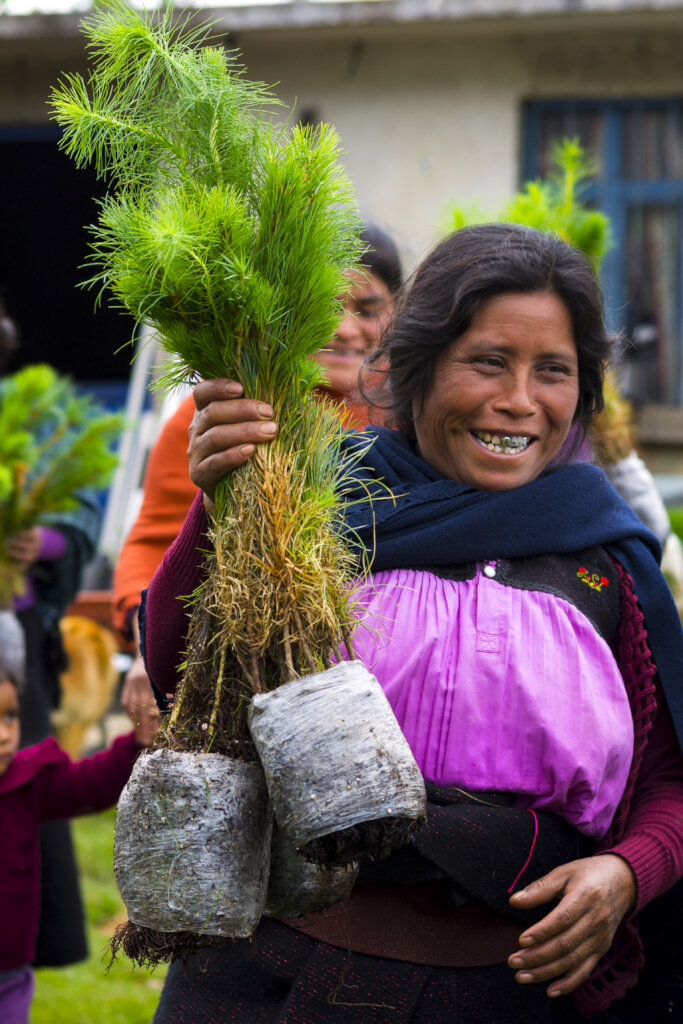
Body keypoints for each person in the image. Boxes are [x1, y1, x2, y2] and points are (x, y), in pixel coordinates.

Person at [141, 224, 683, 1023]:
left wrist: (628, 873)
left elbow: (668, 776)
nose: (519, 400)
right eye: (488, 361)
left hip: (515, 990)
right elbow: (184, 671)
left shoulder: (604, 559)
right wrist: (219, 503)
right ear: (415, 367)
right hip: (275, 979)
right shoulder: (315, 508)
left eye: (553, 371)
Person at [112, 221, 401, 739]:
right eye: (322, 304)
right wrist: (142, 649)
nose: (344, 327)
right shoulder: (226, 416)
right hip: (245, 670)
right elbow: (155, 540)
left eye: (367, 309)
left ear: (397, 314)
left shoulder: (415, 417)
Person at [0, 651, 149, 1024]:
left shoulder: (25, 781)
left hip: (9, 978)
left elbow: (91, 784)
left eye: (9, 716)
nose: (4, 734)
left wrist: (137, 742)